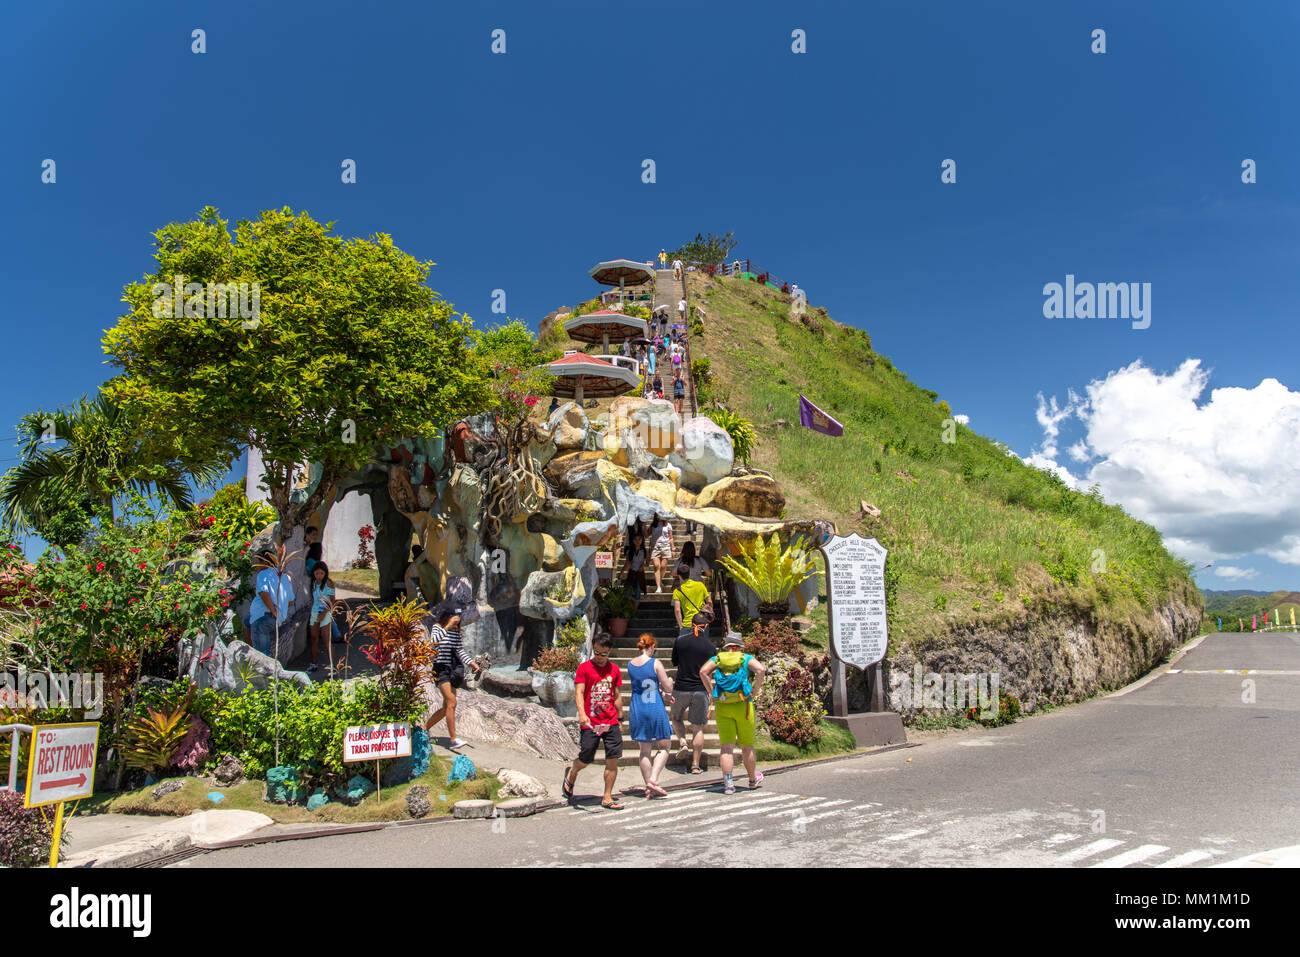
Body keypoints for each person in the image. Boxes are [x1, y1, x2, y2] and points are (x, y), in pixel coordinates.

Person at [562, 633, 625, 810]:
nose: (599, 657)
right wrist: (582, 714)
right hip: (591, 721)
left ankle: (607, 797)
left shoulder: (614, 670)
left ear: (609, 652)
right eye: (596, 652)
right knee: (586, 756)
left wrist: (620, 717)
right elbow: (579, 693)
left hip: (610, 720)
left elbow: (617, 695)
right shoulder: (584, 668)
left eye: (603, 654)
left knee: (612, 759)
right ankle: (572, 772)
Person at [700, 636, 766, 794]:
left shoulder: (718, 658)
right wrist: (755, 690)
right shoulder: (745, 658)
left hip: (723, 706)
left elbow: (703, 671)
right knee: (747, 746)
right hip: (744, 706)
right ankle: (752, 780)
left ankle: (729, 784)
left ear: (727, 646)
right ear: (740, 646)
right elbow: (761, 670)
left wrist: (711, 692)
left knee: (726, 748)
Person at [424, 607, 481, 749]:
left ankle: (424, 728)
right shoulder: (437, 628)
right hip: (440, 668)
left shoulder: (455, 632)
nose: (457, 622)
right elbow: (432, 642)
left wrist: (470, 662)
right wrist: (448, 627)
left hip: (453, 670)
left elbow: (459, 649)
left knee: (447, 707)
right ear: (447, 617)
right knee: (451, 701)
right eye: (454, 618)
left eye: (458, 620)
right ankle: (453, 739)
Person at [627, 633, 674, 797]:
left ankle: (648, 786)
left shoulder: (630, 664)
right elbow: (667, 687)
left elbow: (644, 686)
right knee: (665, 746)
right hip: (654, 707)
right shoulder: (655, 663)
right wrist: (670, 682)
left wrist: (661, 691)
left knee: (644, 751)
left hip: (637, 708)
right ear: (652, 646)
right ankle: (653, 780)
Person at [670, 612, 716, 773]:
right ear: (706, 626)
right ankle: (695, 765)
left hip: (681, 687)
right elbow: (711, 671)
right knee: (698, 728)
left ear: (691, 624)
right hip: (701, 690)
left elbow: (674, 661)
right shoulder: (710, 647)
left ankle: (682, 742)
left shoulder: (680, 641)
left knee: (675, 718)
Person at [249, 549, 294, 658]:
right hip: (271, 617)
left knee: (263, 656)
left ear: (264, 562)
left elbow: (264, 593)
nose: (257, 565)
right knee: (246, 621)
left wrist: (273, 611)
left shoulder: (263, 574)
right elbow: (290, 601)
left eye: (259, 561)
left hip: (263, 617)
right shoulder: (283, 576)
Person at [307, 561, 337, 671]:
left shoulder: (328, 583)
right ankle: (314, 663)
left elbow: (332, 600)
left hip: (326, 611)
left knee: (326, 638)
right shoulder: (313, 583)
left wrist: (324, 613)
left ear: (325, 573)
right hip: (315, 612)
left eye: (321, 573)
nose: (319, 576)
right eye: (317, 573)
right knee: (314, 638)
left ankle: (332, 665)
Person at [672, 561, 712, 632]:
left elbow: (677, 610)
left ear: (679, 576)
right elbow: (709, 601)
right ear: (689, 573)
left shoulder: (677, 591)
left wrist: (681, 626)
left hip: (687, 624)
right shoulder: (700, 585)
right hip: (702, 622)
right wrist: (709, 616)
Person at [647, 516, 673, 592]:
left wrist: (673, 548)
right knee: (656, 566)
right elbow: (646, 535)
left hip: (666, 547)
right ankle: (658, 587)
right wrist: (644, 526)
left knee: (663, 566)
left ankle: (660, 579)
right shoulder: (653, 525)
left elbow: (671, 538)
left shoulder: (668, 525)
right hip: (655, 547)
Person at [624, 532, 647, 599]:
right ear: (633, 541)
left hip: (640, 573)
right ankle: (630, 608)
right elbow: (627, 564)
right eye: (636, 539)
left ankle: (635, 609)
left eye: (639, 539)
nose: (637, 541)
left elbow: (647, 562)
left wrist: (643, 565)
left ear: (642, 540)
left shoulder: (644, 551)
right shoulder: (630, 551)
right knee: (628, 593)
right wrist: (621, 574)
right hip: (631, 572)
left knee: (638, 593)